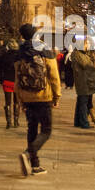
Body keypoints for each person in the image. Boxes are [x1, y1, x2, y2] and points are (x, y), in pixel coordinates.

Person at [15, 21, 60, 177]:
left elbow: (17, 79)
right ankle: (29, 153)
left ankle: (34, 165)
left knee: (32, 129)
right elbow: (53, 75)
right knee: (46, 130)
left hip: (27, 97)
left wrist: (20, 100)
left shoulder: (20, 52)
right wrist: (57, 96)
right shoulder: (45, 49)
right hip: (43, 95)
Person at [70, 38, 95, 130]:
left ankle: (78, 121)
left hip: (87, 81)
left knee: (81, 101)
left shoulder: (84, 54)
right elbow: (87, 65)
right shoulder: (77, 54)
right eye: (86, 44)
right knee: (84, 102)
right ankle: (84, 122)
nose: (88, 45)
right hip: (83, 82)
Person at [0, 39, 20, 128]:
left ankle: (8, 122)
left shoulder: (4, 56)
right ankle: (16, 121)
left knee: (8, 101)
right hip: (17, 81)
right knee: (16, 101)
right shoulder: (19, 56)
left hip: (7, 80)